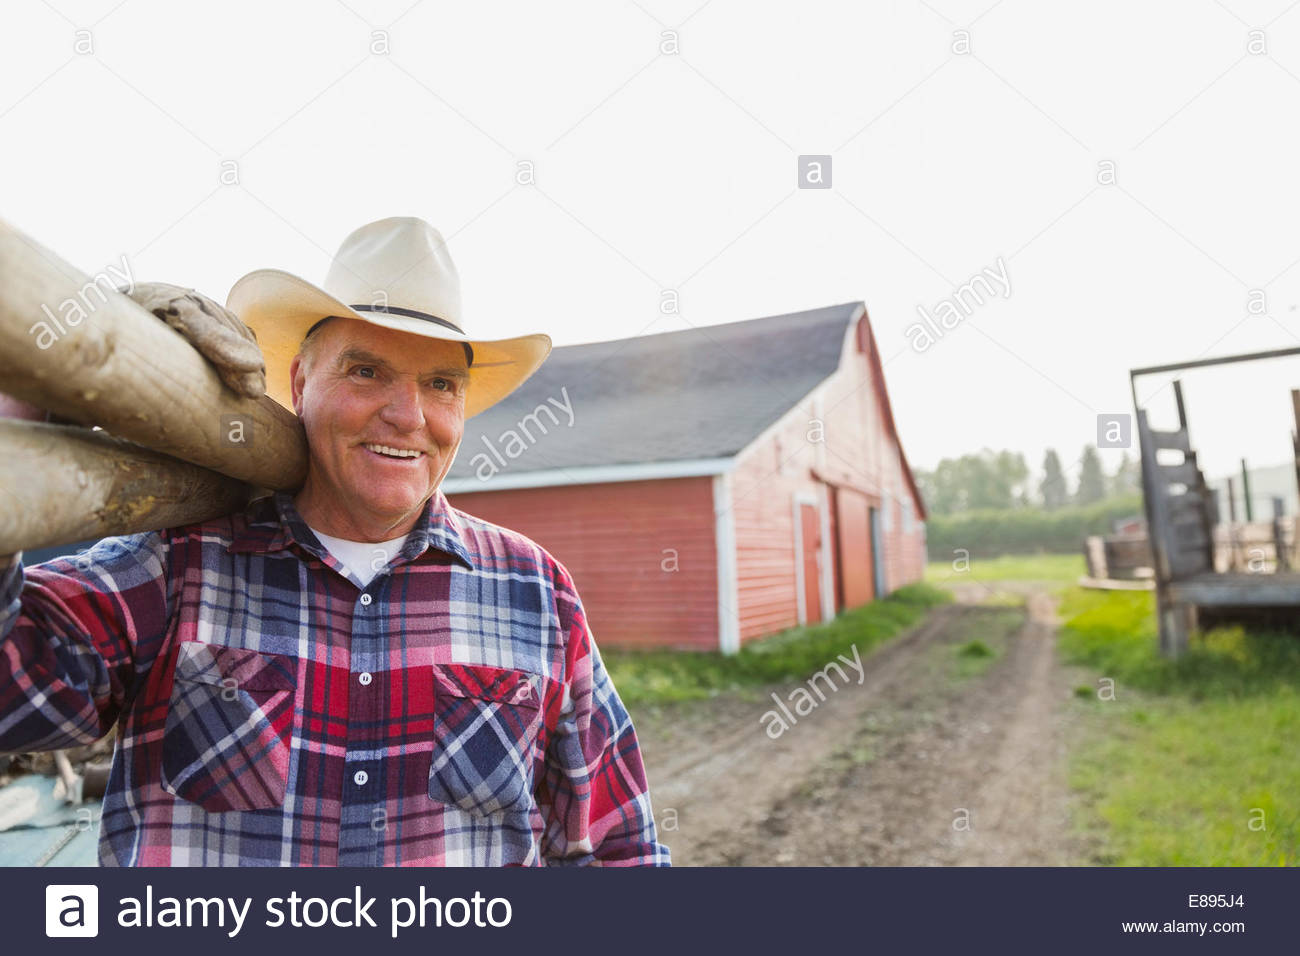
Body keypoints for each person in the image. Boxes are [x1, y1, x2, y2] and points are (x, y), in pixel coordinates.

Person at [0, 217, 670, 866]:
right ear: (299, 383)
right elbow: (11, 693)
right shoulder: (178, 561)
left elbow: (617, 848)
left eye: (441, 384)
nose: (408, 417)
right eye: (366, 371)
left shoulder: (536, 592)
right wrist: (34, 399)